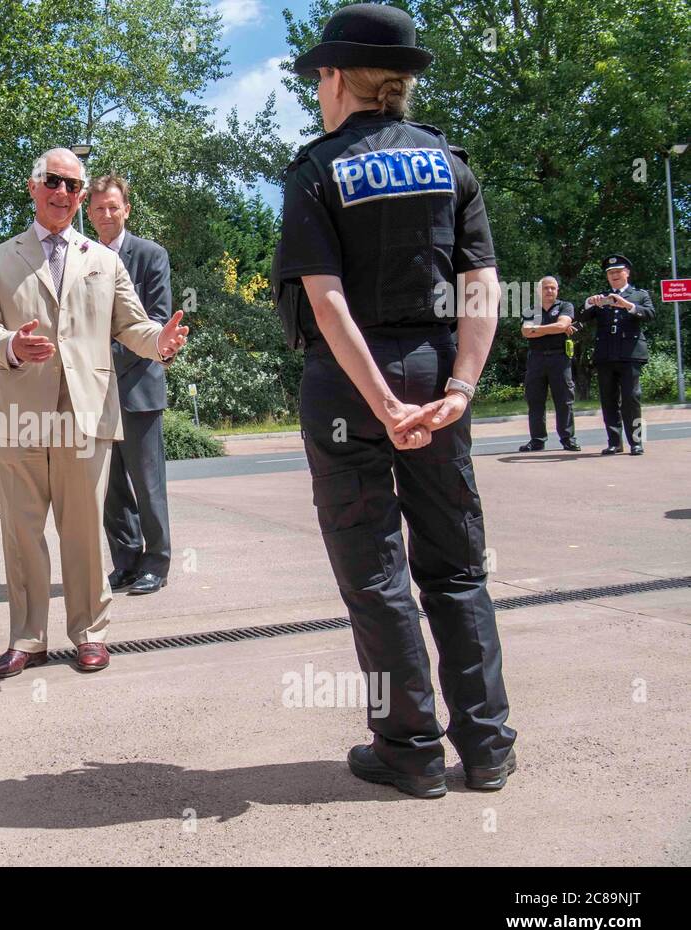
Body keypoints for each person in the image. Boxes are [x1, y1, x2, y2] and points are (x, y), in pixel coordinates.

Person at [275, 3, 516, 798]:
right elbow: (482, 284)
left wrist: (379, 402)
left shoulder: (316, 170)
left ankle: (410, 748)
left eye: (320, 76)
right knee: (457, 566)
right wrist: (459, 389)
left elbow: (328, 300)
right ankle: (486, 747)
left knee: (375, 575)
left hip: (351, 383)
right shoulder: (452, 162)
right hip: (436, 368)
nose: (317, 89)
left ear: (339, 77)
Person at [0, 148, 189, 679]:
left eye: (73, 186)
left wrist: (157, 341)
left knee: (86, 530)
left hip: (85, 415)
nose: (62, 193)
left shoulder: (103, 259)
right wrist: (12, 346)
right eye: (53, 182)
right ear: (33, 186)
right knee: (21, 533)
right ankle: (27, 639)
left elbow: (131, 326)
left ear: (82, 196)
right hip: (18, 414)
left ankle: (90, 633)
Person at [88, 174, 173, 595]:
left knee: (147, 482)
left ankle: (156, 563)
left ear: (127, 210)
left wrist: (99, 362)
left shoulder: (150, 255)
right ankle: (125, 562)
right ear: (89, 213)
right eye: (99, 208)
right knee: (111, 488)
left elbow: (155, 324)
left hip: (137, 387)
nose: (106, 214)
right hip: (93, 394)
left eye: (113, 207)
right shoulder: (79, 257)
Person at [578, 254, 655, 456]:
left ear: (626, 273)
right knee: (608, 399)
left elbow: (650, 314)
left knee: (632, 398)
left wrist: (627, 305)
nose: (614, 276)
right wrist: (589, 303)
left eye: (618, 272)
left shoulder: (639, 295)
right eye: (610, 273)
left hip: (630, 355)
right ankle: (614, 442)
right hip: (606, 355)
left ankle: (637, 442)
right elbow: (582, 317)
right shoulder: (602, 297)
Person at [519, 276, 580, 452]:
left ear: (557, 290)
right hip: (536, 359)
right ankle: (537, 440)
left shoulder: (565, 306)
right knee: (535, 400)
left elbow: (563, 325)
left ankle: (568, 439)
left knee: (564, 400)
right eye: (546, 288)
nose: (550, 291)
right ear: (539, 290)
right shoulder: (530, 310)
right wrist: (555, 328)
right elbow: (525, 332)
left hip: (559, 358)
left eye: (553, 288)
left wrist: (536, 329)